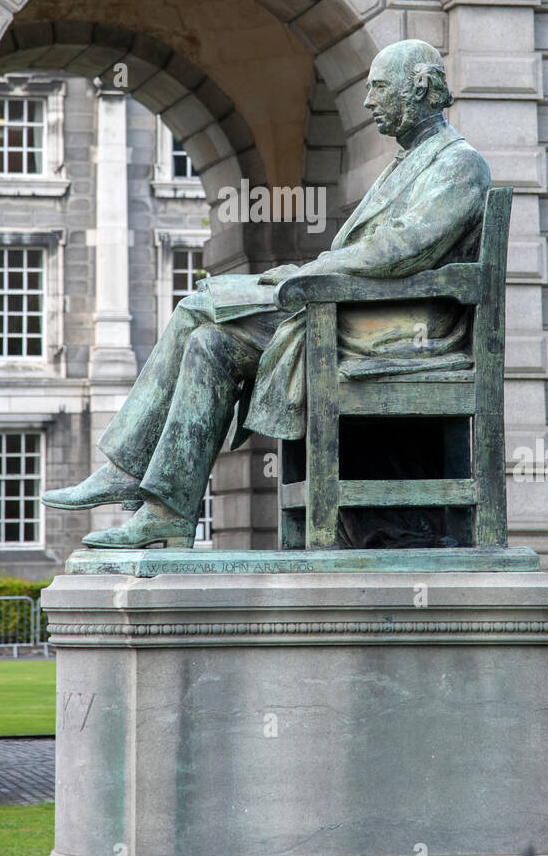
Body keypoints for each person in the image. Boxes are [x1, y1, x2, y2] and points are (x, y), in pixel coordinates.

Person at [41, 39, 490, 548]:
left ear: (420, 90)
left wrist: (313, 269)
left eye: (380, 89)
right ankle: (166, 510)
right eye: (367, 91)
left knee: (196, 306)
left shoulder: (458, 163)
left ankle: (125, 467)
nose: (368, 103)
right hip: (361, 308)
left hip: (403, 329)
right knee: (210, 342)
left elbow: (402, 247)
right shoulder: (407, 163)